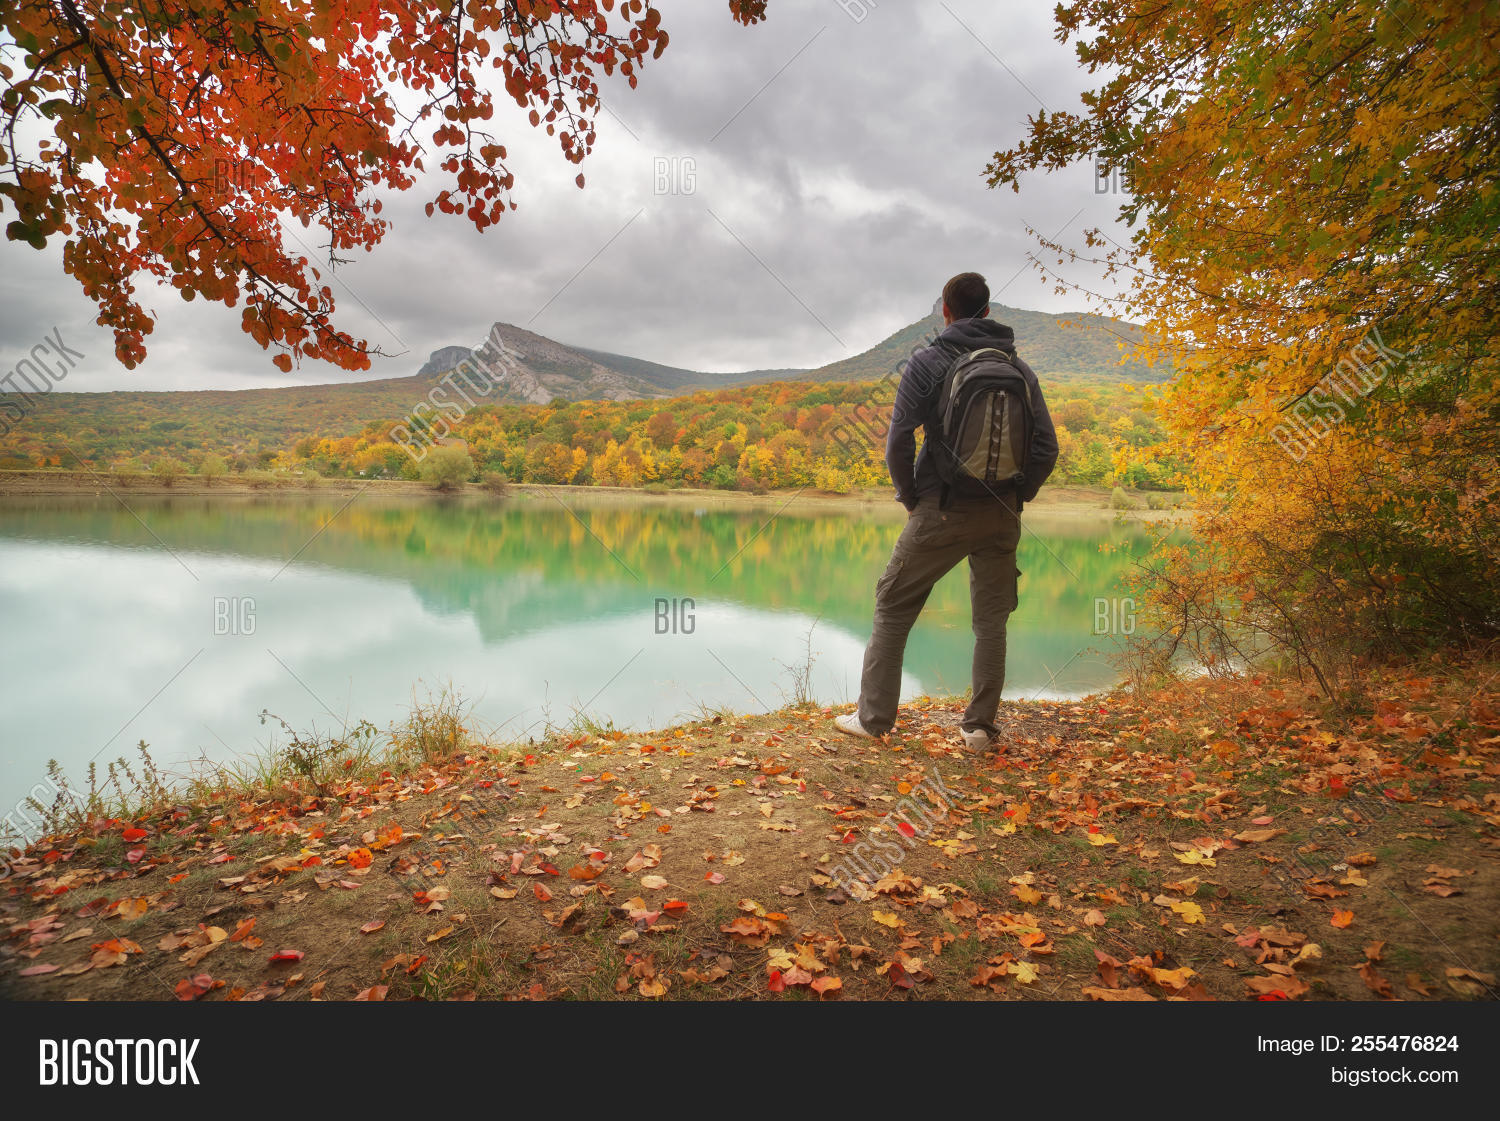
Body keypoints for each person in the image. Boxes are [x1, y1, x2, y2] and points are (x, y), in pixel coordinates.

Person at [835, 272, 1058, 751]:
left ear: (946, 311)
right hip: (1001, 512)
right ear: (989, 310)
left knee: (893, 605)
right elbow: (1046, 447)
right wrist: (1020, 496)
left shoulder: (927, 361)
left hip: (941, 508)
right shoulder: (1018, 368)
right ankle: (979, 729)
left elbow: (898, 439)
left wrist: (911, 497)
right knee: (991, 622)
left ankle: (872, 720)